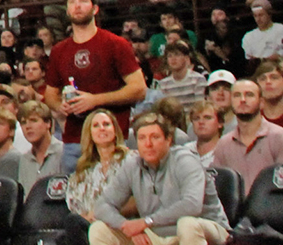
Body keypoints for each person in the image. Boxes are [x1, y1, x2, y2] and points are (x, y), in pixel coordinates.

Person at [46, 0, 147, 168]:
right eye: (72, 1)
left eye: (83, 1)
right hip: (74, 141)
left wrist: (95, 100)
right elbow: (50, 95)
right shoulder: (59, 51)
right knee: (75, 194)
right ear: (67, 9)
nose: (77, 6)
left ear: (95, 8)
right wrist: (62, 106)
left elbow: (139, 89)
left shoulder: (116, 44)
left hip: (111, 139)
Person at [89, 114, 229, 245]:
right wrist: (126, 226)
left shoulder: (185, 160)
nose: (148, 144)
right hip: (157, 235)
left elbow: (192, 205)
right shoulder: (132, 165)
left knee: (187, 224)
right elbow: (102, 205)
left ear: (168, 140)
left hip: (207, 229)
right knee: (99, 229)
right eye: (142, 138)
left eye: (155, 137)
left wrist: (147, 222)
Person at [205, 79, 283, 193]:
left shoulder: (279, 137)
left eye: (249, 95)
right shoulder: (223, 144)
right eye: (237, 95)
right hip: (236, 209)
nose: (242, 100)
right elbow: (217, 186)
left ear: (261, 102)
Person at [65, 111, 129, 222]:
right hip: (88, 226)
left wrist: (102, 214)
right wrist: (87, 218)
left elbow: (140, 198)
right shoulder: (83, 171)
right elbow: (75, 208)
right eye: (96, 125)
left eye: (106, 124)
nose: (102, 128)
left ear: (115, 130)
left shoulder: (130, 160)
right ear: (89, 133)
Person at [15, 101, 61, 189]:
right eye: (23, 123)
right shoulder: (24, 160)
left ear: (48, 123)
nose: (28, 126)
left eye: (33, 120)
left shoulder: (62, 153)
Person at [186, 102, 224, 168]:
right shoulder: (185, 151)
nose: (201, 122)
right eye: (196, 118)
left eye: (207, 118)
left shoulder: (226, 151)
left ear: (220, 123)